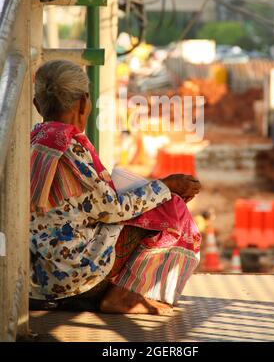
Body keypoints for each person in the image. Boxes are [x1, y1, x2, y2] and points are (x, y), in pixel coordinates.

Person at [29, 60, 201, 315]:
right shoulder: (70, 147)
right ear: (84, 103)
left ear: (37, 104)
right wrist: (166, 186)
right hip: (73, 279)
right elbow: (113, 209)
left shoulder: (33, 139)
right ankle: (121, 296)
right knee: (171, 208)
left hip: (36, 278)